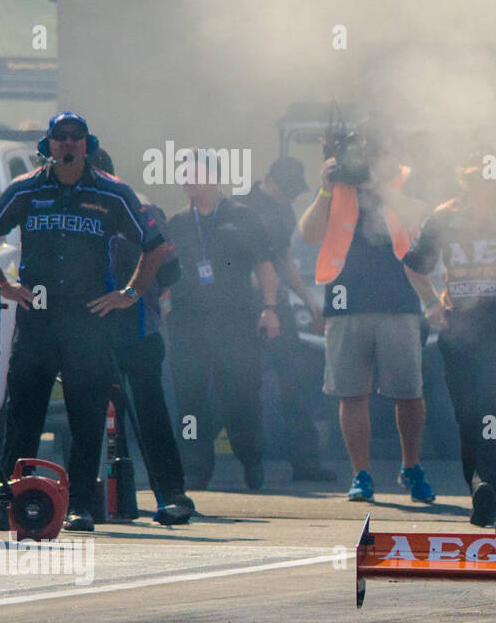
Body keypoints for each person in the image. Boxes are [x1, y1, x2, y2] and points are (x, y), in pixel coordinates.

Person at [0, 112, 170, 532]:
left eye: (76, 138)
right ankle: (4, 501)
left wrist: (129, 293)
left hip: (88, 322)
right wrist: (3, 285)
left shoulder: (112, 192)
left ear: (87, 144)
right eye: (60, 137)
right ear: (48, 144)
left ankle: (80, 506)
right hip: (37, 319)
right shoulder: (26, 189)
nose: (68, 144)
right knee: (21, 415)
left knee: (87, 415)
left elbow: (156, 246)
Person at [402, 149, 496, 527]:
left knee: (494, 405)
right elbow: (414, 265)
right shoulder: (445, 216)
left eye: (491, 183)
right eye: (477, 182)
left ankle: (493, 487)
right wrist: (431, 302)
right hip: (459, 329)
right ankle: (480, 487)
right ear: (464, 182)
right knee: (468, 414)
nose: (485, 190)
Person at [298, 125, 436, 504]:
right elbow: (308, 233)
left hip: (399, 297)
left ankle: (411, 467)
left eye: (372, 156)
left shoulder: (404, 180)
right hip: (345, 299)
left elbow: (423, 218)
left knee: (409, 392)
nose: (364, 163)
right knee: (351, 392)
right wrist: (326, 188)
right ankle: (361, 474)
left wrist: (380, 185)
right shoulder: (337, 185)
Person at [163, 152, 282, 491]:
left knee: (241, 394)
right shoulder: (177, 222)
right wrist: (166, 306)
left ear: (214, 178)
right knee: (189, 399)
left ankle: (252, 459)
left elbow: (264, 267)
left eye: (194, 173)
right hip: (188, 324)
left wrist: (270, 309)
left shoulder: (243, 217)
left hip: (236, 322)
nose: (187, 179)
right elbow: (165, 273)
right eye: (183, 173)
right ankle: (194, 468)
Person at [94, 149, 196, 525]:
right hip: (94, 333)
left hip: (136, 329)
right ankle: (99, 498)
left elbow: (171, 270)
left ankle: (171, 495)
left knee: (149, 413)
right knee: (94, 413)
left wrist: (138, 295)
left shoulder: (141, 207)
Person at [242, 157, 336, 483]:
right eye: (287, 190)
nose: (291, 197)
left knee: (294, 384)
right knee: (242, 385)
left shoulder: (284, 211)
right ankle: (250, 464)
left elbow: (284, 260)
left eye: (295, 191)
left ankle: (306, 463)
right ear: (269, 180)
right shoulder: (243, 207)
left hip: (279, 304)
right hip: (244, 307)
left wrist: (309, 301)